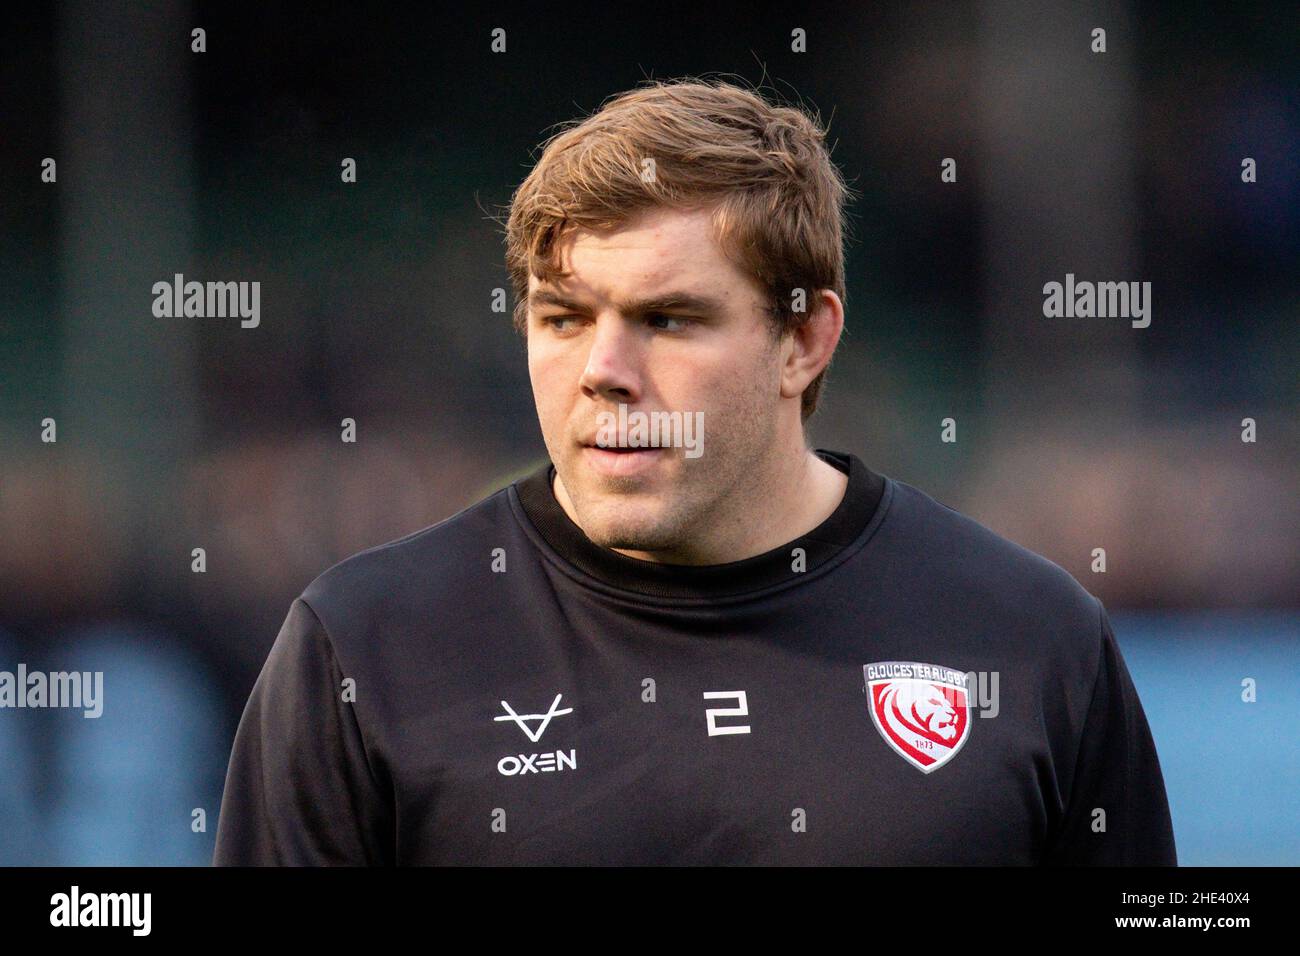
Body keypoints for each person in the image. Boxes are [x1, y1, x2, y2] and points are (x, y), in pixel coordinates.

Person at [213, 78, 1176, 865]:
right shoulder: (365, 649)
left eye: (668, 319)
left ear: (804, 338)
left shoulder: (1031, 636)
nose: (602, 370)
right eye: (563, 318)